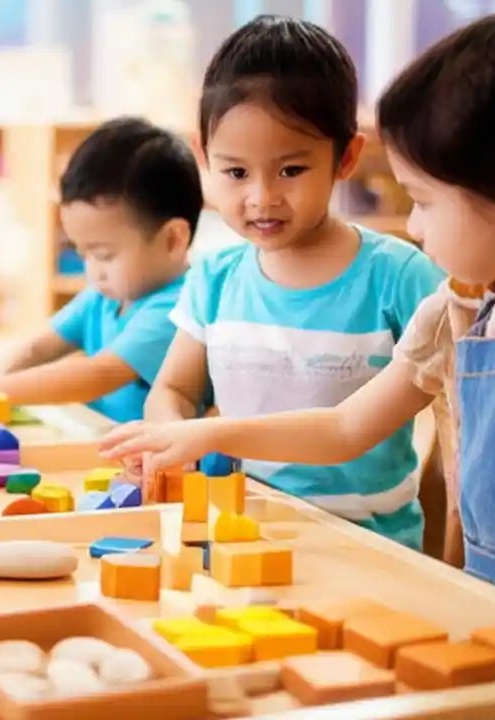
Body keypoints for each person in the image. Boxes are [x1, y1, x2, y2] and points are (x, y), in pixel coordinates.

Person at [101, 8, 495, 649]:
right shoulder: (464, 307)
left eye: (422, 202)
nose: (415, 228)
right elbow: (346, 426)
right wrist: (203, 430)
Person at [138, 15, 443, 549]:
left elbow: (453, 419)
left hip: (368, 546)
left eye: (290, 171)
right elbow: (174, 390)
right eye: (236, 173)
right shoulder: (214, 277)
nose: (261, 198)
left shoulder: (399, 278)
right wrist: (172, 437)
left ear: (345, 157)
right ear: (204, 157)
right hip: (242, 532)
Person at [0, 116, 203, 426]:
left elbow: (98, 375)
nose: (93, 270)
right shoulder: (105, 297)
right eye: (82, 252)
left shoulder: (180, 308)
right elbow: (37, 347)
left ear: (173, 240)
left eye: (104, 254)